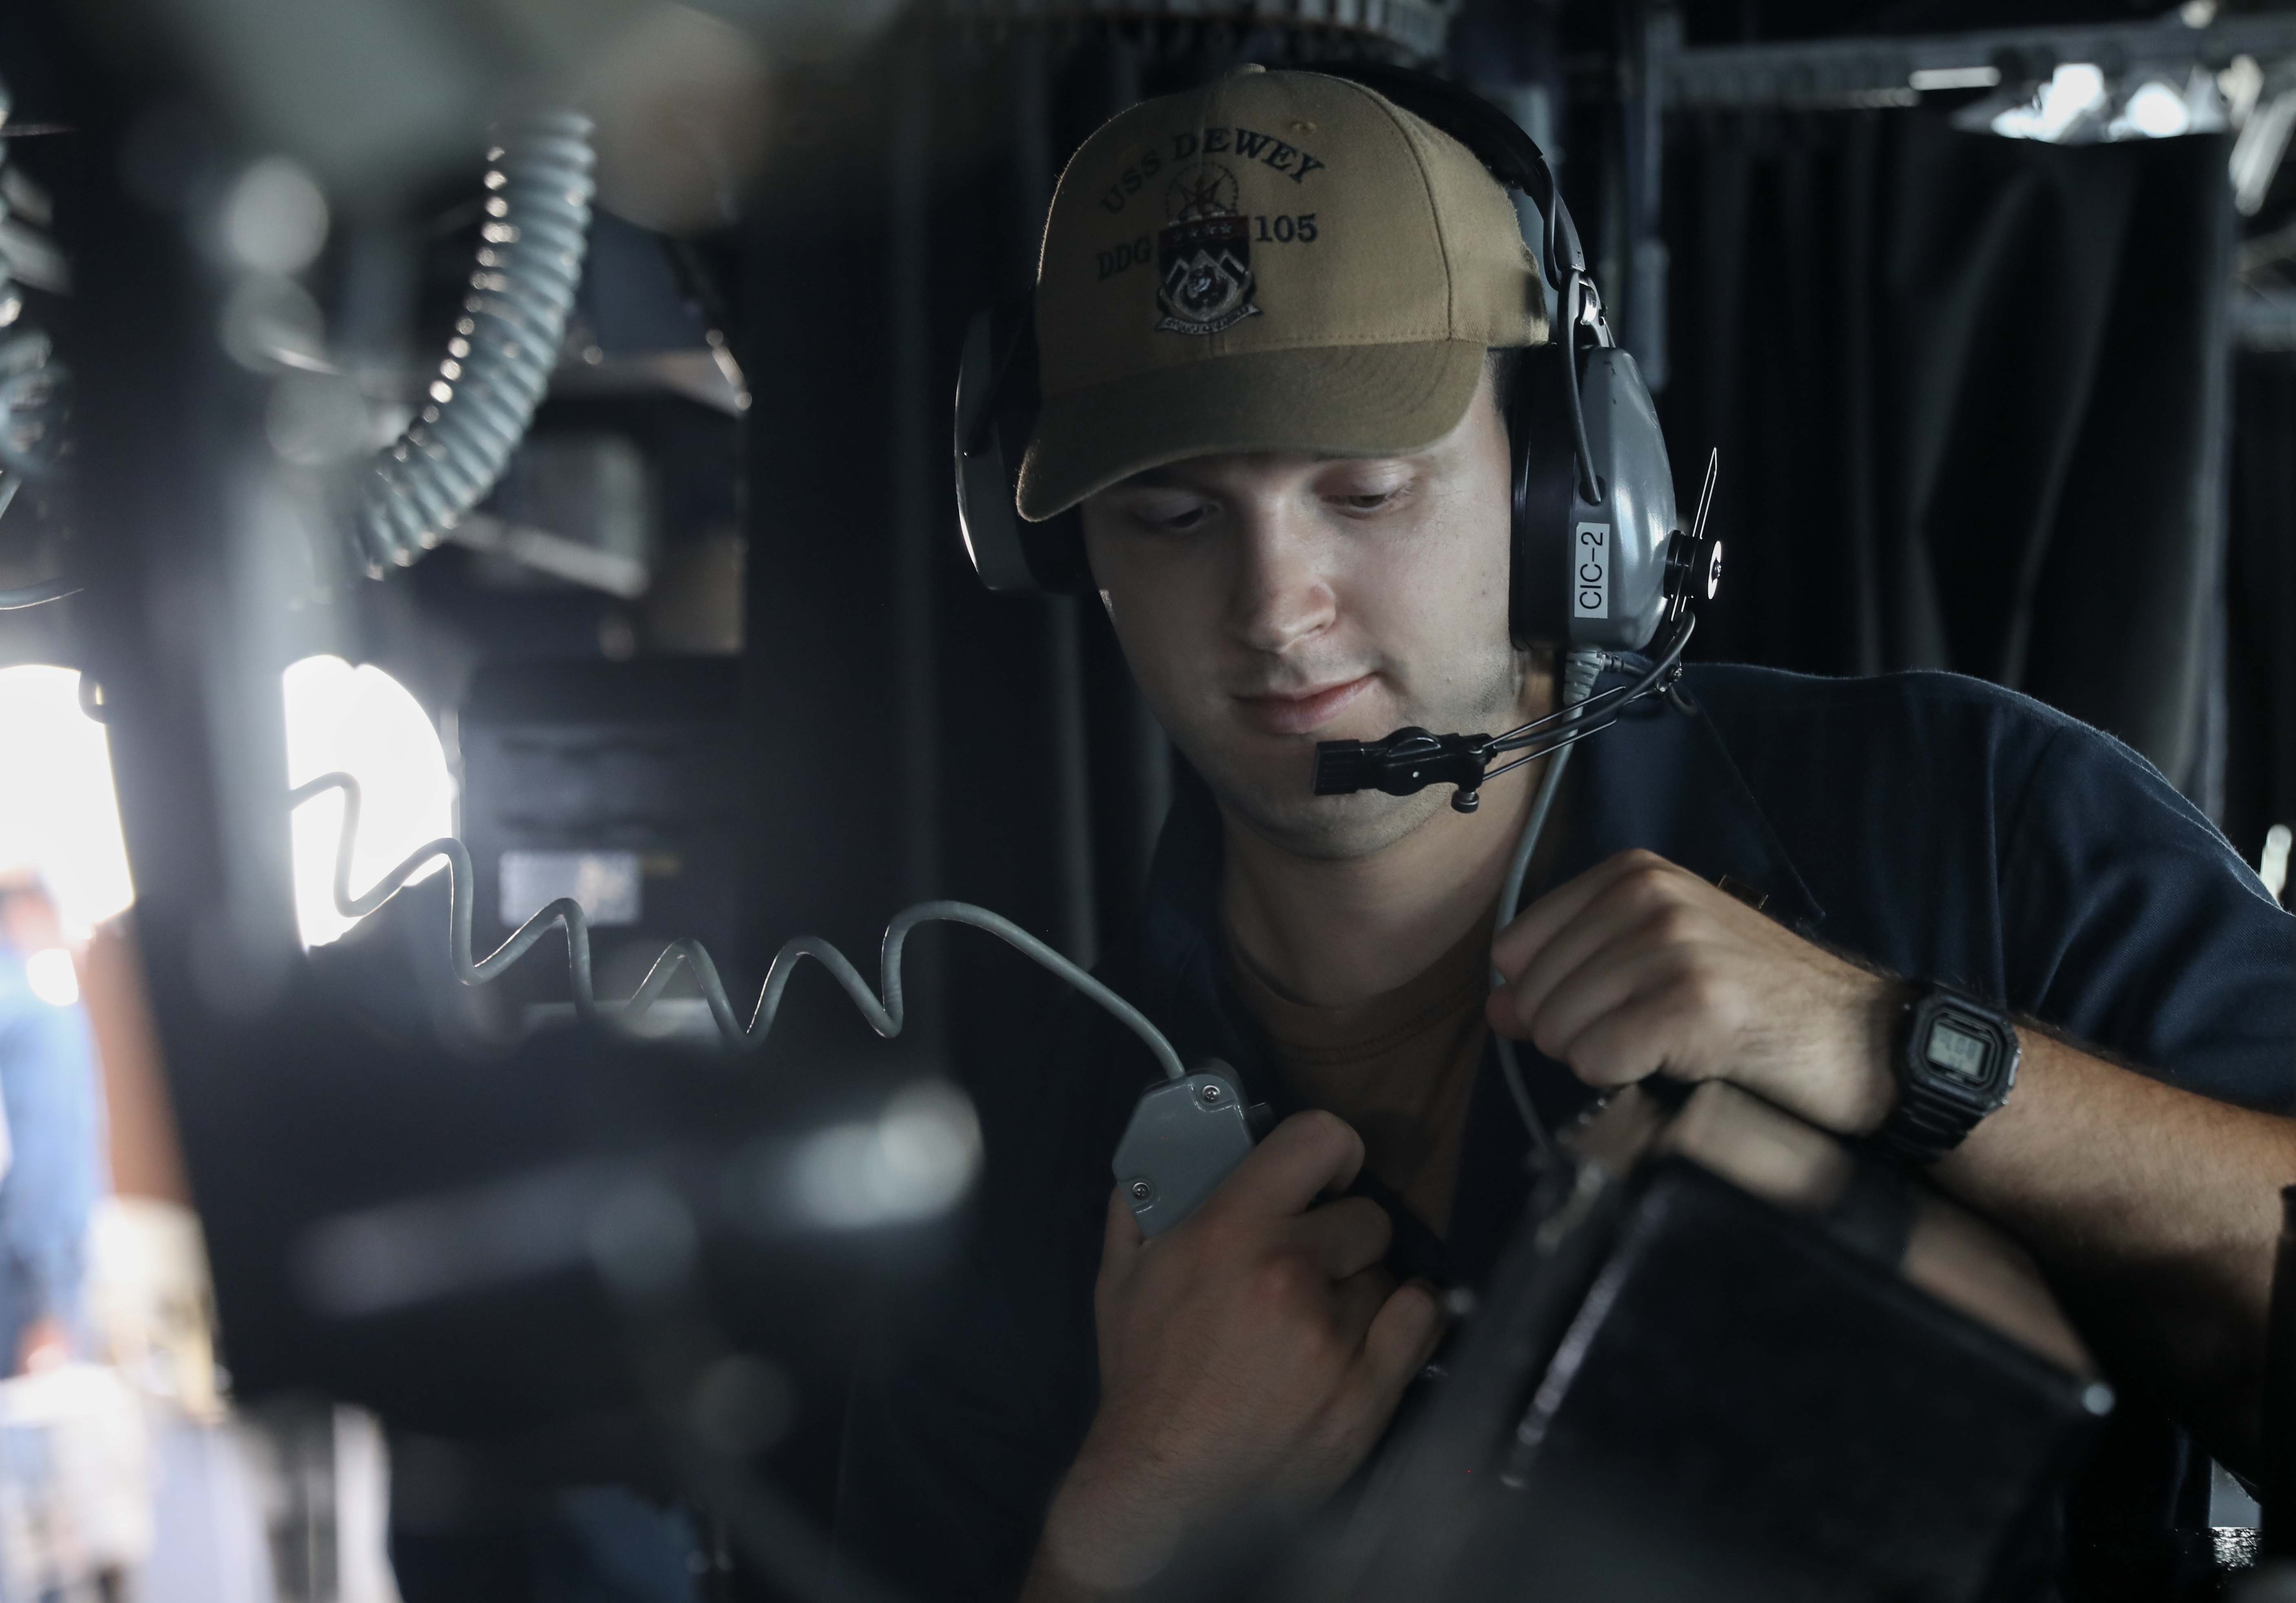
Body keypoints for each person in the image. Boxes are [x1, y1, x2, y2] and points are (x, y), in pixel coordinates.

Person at [835, 66, 2296, 1601]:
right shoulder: (1007, 1179)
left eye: (1368, 491)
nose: (1276, 610)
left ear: (1568, 485)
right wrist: (1122, 1527)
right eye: (1175, 515)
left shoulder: (1971, 819)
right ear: (1059, 548)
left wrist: (1905, 1051)